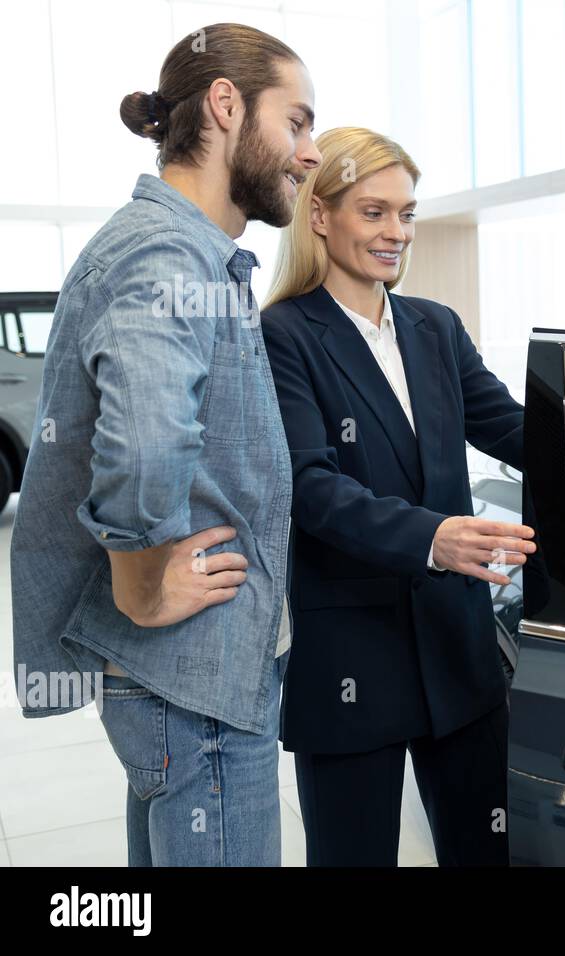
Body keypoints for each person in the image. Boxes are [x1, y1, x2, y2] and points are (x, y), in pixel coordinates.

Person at [261, 127, 565, 865]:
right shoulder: (283, 334)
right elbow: (311, 487)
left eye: (407, 213)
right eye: (374, 212)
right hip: (352, 657)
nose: (397, 232)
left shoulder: (434, 328)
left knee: (486, 851)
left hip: (455, 650)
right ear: (321, 216)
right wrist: (434, 538)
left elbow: (523, 432)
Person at [10, 22, 321, 866]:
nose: (310, 152)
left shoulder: (190, 251)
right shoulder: (167, 252)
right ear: (227, 106)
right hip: (198, 677)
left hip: (191, 676)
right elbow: (146, 444)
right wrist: (138, 578)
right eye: (296, 122)